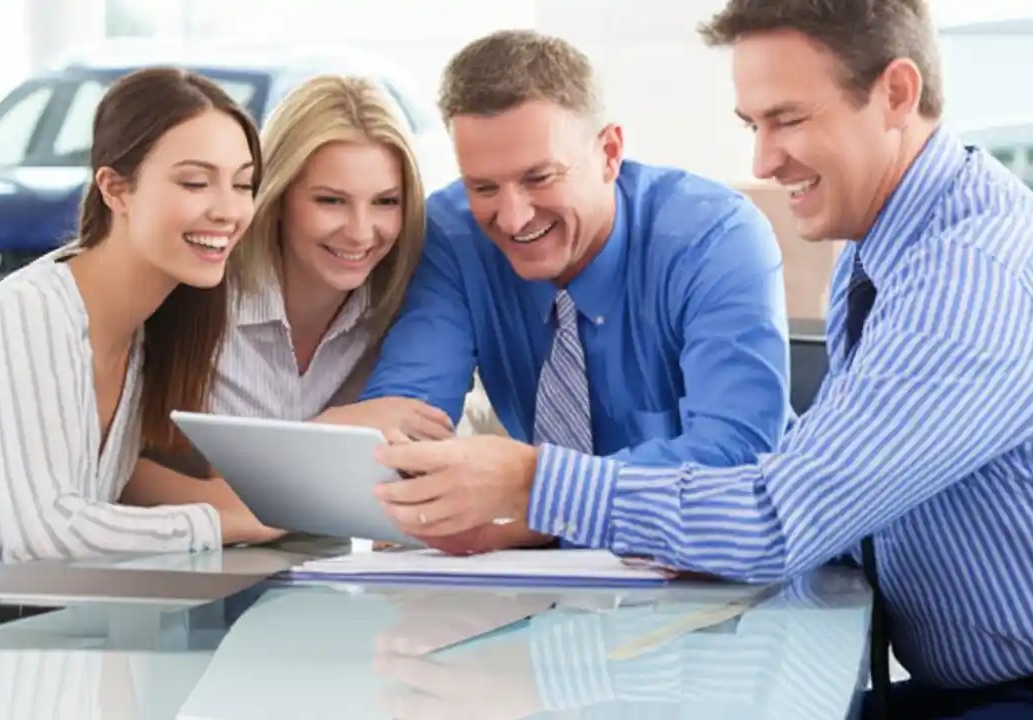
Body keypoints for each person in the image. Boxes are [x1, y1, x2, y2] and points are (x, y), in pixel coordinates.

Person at [371, 2, 1033, 718]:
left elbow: (778, 516)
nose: (762, 159)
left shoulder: (971, 280)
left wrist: (534, 488)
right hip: (968, 686)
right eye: (754, 125)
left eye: (788, 119)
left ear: (896, 95)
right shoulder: (889, 251)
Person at [319, 30, 792, 552]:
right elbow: (407, 425)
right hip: (540, 582)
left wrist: (537, 491)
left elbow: (737, 458)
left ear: (609, 153)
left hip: (723, 566)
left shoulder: (714, 238)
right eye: (483, 188)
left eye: (540, 178)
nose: (513, 217)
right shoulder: (452, 236)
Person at [0, 67, 278, 590]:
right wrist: (221, 524)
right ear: (116, 189)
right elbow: (43, 536)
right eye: (195, 182)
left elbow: (112, 484)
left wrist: (285, 508)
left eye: (243, 184)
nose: (228, 210)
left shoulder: (153, 328)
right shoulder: (32, 312)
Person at [118, 74, 441, 512]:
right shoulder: (196, 290)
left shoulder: (404, 312)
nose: (361, 232)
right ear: (277, 196)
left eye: (385, 202)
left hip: (333, 569)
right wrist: (328, 433)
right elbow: (115, 475)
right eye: (331, 201)